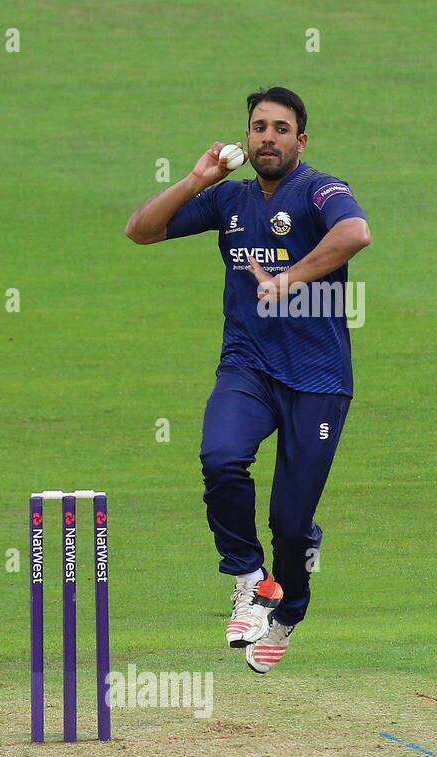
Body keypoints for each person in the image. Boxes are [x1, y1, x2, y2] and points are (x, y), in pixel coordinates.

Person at [124, 87, 371, 673]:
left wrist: (291, 278)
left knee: (290, 521)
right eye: (258, 127)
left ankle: (286, 611)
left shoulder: (321, 190)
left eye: (281, 129)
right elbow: (141, 230)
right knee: (221, 455)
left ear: (300, 140)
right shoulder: (229, 201)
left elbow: (354, 234)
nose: (267, 137)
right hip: (248, 367)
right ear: (246, 136)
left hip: (318, 379)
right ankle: (246, 576)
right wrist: (195, 181)